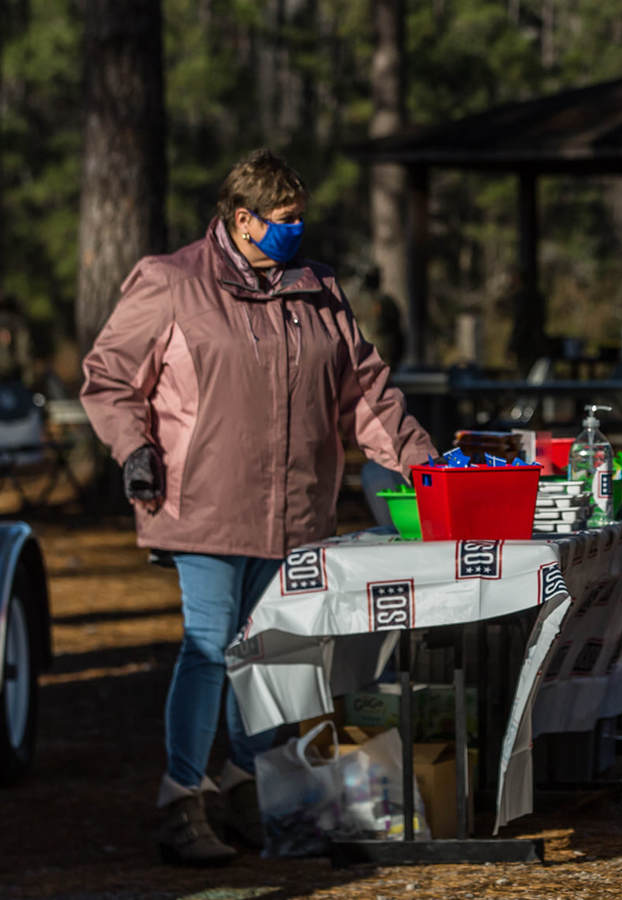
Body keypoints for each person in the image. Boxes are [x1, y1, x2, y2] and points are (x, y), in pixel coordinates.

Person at [80, 148, 437, 866]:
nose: (296, 228)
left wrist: (428, 469)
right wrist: (134, 449)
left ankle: (248, 789)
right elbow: (110, 376)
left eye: (301, 216)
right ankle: (182, 800)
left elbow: (367, 393)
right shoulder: (172, 281)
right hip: (202, 504)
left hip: (295, 510)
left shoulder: (318, 290)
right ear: (242, 219)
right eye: (284, 217)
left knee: (268, 654)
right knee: (209, 647)